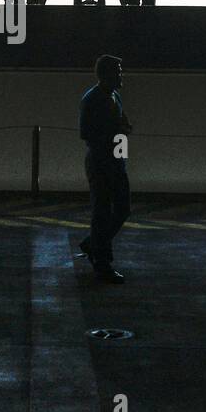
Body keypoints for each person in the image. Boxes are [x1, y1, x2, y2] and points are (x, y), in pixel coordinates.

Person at [78, 55, 132, 284]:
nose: (122, 75)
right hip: (101, 162)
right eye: (118, 71)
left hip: (115, 161)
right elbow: (85, 133)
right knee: (102, 212)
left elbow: (122, 122)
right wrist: (115, 130)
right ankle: (102, 262)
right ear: (107, 74)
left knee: (121, 208)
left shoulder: (113, 96)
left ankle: (95, 245)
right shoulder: (92, 99)